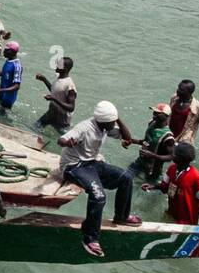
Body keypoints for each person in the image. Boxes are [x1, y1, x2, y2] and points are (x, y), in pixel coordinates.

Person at [58, 100, 142, 257]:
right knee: (98, 196)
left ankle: (121, 217)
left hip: (91, 163)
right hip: (74, 166)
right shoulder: (84, 128)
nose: (113, 125)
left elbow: (127, 137)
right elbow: (61, 139)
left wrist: (117, 118)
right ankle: (90, 238)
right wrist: (67, 142)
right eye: (112, 122)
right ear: (104, 121)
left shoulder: (105, 127)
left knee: (126, 178)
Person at [143, 143, 199, 227]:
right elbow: (165, 186)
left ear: (180, 158)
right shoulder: (171, 169)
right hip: (171, 214)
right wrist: (153, 186)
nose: (172, 155)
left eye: (174, 154)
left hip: (186, 222)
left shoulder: (197, 177)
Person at [131, 103, 175, 181]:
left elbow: (171, 157)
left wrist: (152, 155)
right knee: (124, 178)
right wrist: (131, 141)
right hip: (140, 161)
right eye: (154, 112)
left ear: (166, 116)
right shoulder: (151, 123)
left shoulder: (168, 137)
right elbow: (147, 142)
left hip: (153, 170)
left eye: (158, 113)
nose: (154, 114)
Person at [165, 79, 199, 149]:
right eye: (178, 88)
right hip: (170, 134)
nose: (177, 90)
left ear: (189, 92)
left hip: (185, 139)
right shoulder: (174, 98)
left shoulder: (198, 107)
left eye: (181, 90)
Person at [35, 57, 77, 131]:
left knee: (61, 139)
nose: (57, 65)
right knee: (35, 127)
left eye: (59, 65)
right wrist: (44, 80)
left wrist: (54, 99)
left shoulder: (70, 85)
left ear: (65, 69)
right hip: (52, 112)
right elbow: (54, 91)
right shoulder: (58, 77)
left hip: (62, 119)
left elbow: (71, 107)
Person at [0, 41, 23, 114]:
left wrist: (1, 90)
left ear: (11, 51)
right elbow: (4, 74)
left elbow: (16, 86)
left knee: (0, 114)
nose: (3, 52)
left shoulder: (17, 66)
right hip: (2, 93)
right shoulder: (8, 60)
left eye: (6, 50)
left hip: (8, 97)